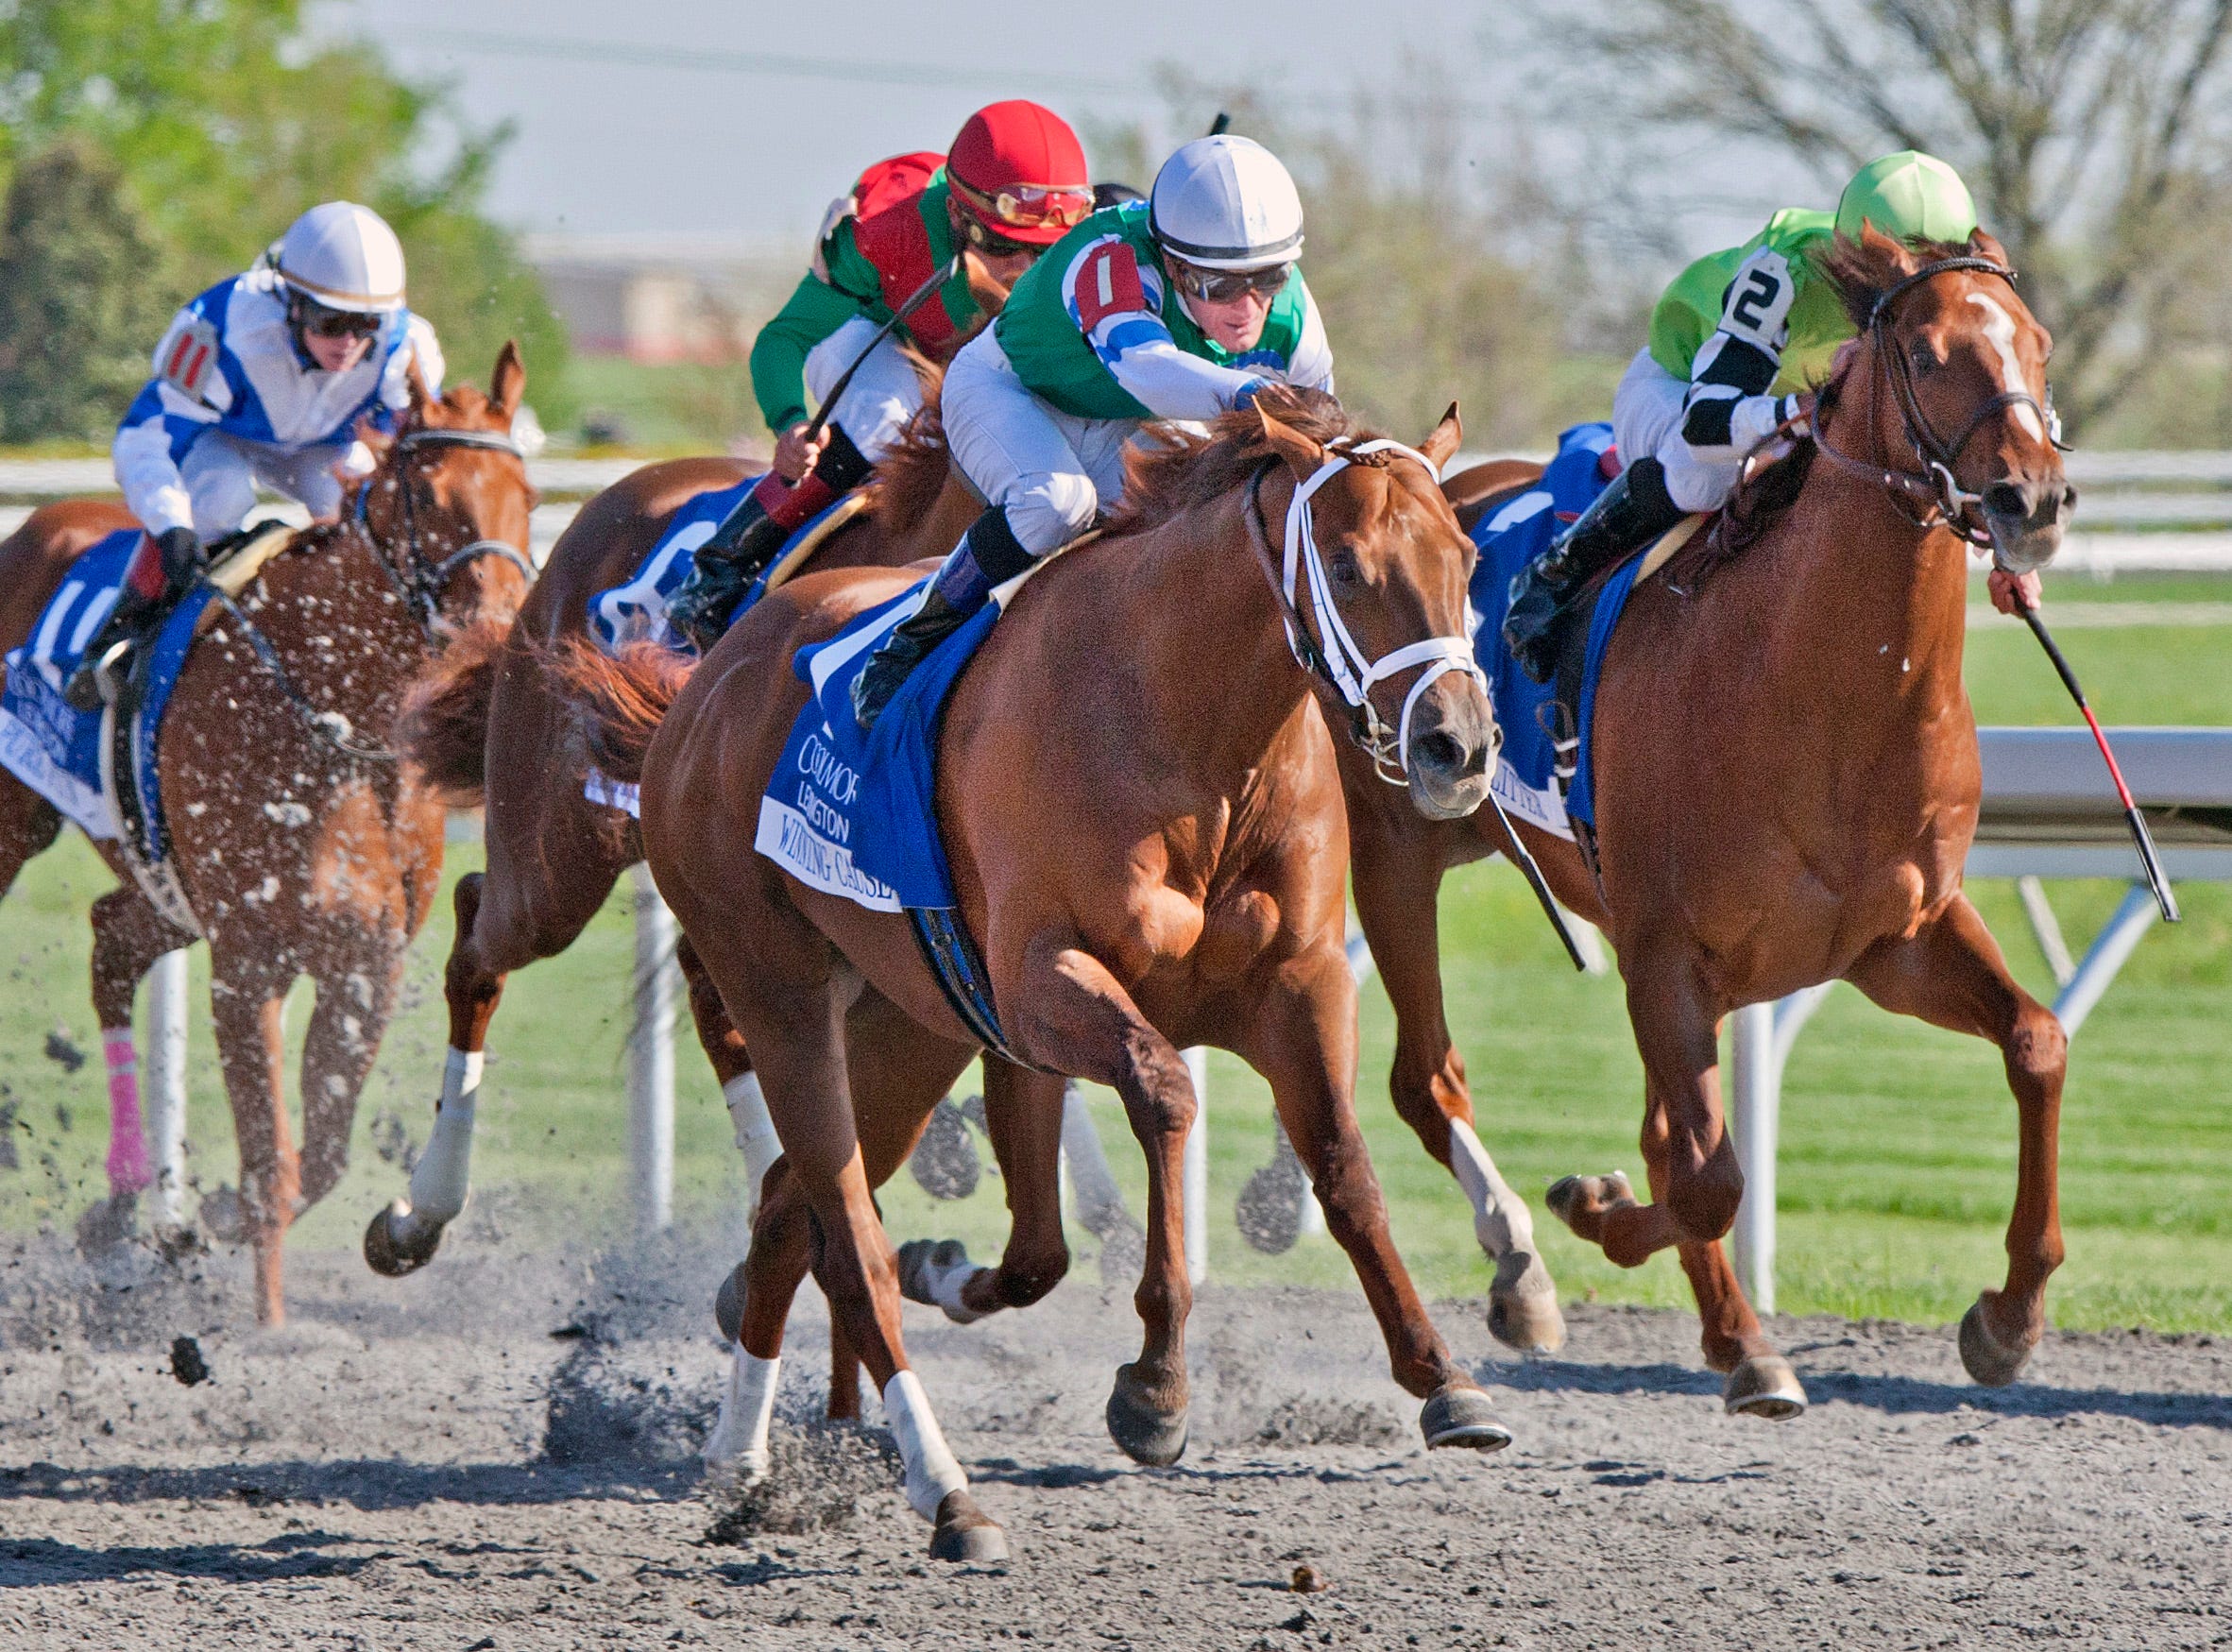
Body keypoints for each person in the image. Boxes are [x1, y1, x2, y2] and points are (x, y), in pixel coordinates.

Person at [849, 132, 1333, 728]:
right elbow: (1145, 367)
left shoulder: (1291, 312)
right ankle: (912, 641)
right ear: (1173, 264)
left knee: (1184, 520)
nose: (1249, 307)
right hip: (1007, 390)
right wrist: (1252, 394)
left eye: (1267, 278)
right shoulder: (1112, 257)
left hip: (1111, 416)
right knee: (1056, 504)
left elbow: (1319, 428)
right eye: (1220, 286)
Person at [1501, 150, 2040, 683]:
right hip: (1682, 386)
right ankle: (1553, 574)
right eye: (1897, 272)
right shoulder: (1780, 274)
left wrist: (2012, 555)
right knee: (1703, 475)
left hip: (1787, 401)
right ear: (1861, 256)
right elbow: (1706, 426)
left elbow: (1984, 417)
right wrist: (1801, 413)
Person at [665, 101, 1093, 649]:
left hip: (957, 359)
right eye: (1006, 248)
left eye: (1048, 254)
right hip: (868, 336)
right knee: (886, 418)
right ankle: (720, 569)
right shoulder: (884, 234)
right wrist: (791, 422)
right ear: (960, 217)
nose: (1026, 273)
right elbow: (781, 340)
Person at [66, 201, 443, 708]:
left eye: (365, 322)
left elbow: (403, 458)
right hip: (221, 437)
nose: (350, 342)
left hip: (321, 447)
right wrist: (170, 525)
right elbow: (144, 437)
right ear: (291, 303)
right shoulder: (219, 331)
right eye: (330, 321)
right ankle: (122, 633)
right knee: (218, 499)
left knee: (357, 513)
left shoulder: (405, 348)